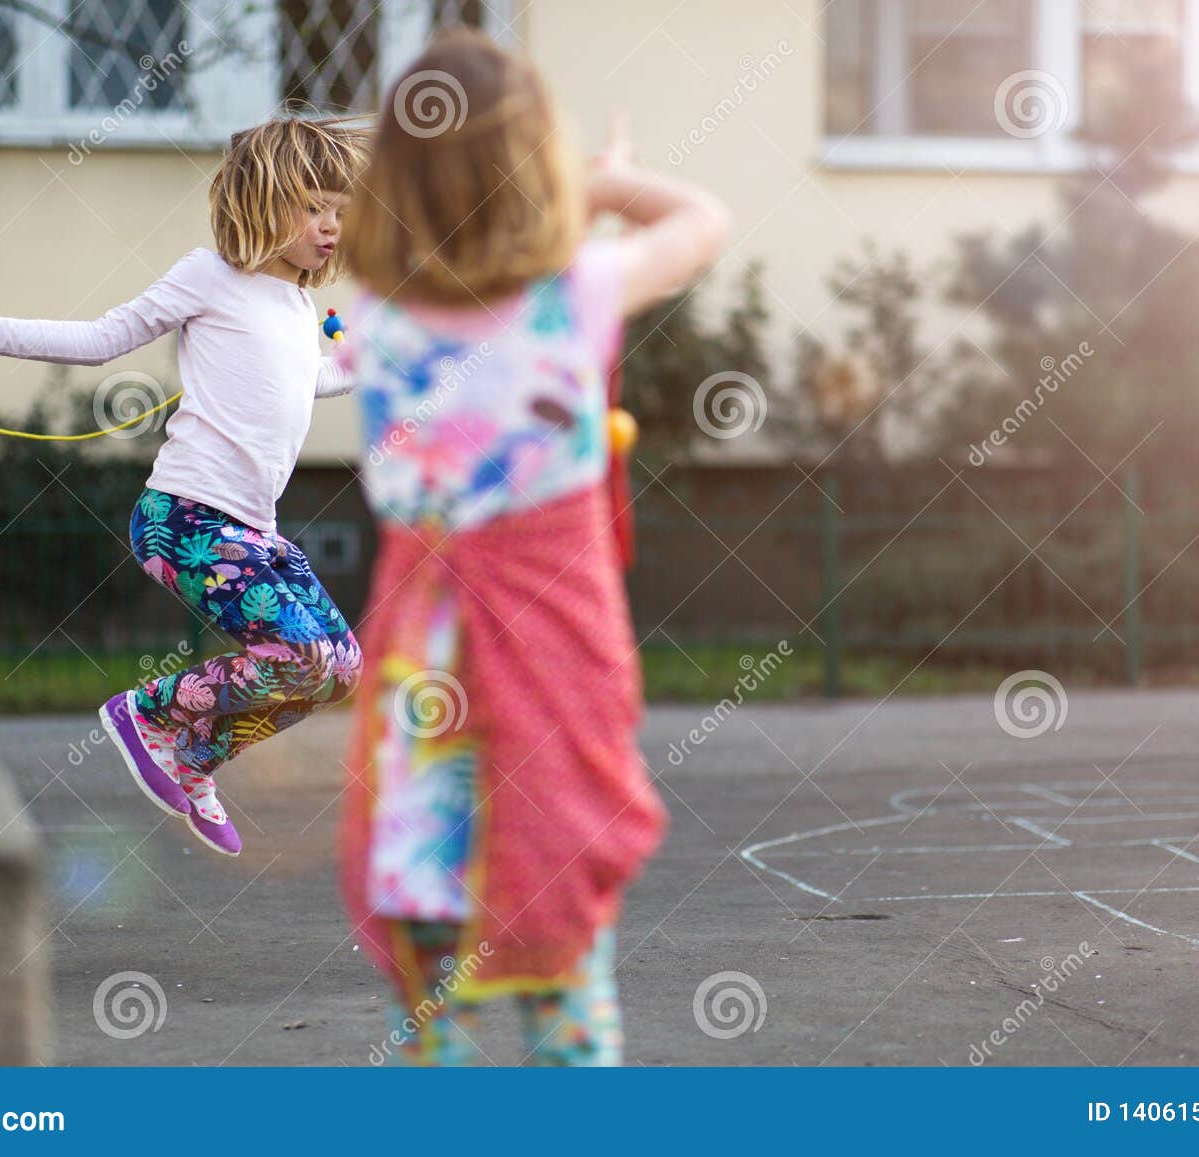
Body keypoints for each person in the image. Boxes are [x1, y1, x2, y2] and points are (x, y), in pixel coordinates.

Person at [337, 28, 732, 1064]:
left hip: (422, 693)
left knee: (431, 990)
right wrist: (610, 184)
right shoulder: (579, 295)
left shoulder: (375, 318)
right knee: (562, 971)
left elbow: (462, 269)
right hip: (545, 689)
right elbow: (703, 223)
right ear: (536, 168)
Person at [0, 118, 368, 857]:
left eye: (339, 212)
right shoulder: (208, 277)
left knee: (339, 669)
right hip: (186, 519)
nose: (330, 227)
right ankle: (148, 712)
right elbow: (102, 339)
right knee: (295, 653)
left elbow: (302, 380)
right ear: (262, 199)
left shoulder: (296, 306)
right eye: (314, 207)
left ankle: (196, 756)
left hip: (254, 531)